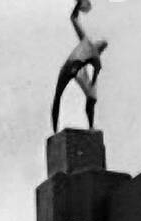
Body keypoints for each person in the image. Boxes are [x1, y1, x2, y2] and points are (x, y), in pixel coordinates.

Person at [51, 0, 109, 133]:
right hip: (73, 66)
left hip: (74, 68)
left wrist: (78, 5)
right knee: (61, 96)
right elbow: (73, 19)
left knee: (60, 96)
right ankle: (88, 125)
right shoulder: (91, 50)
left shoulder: (92, 51)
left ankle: (89, 125)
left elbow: (73, 18)